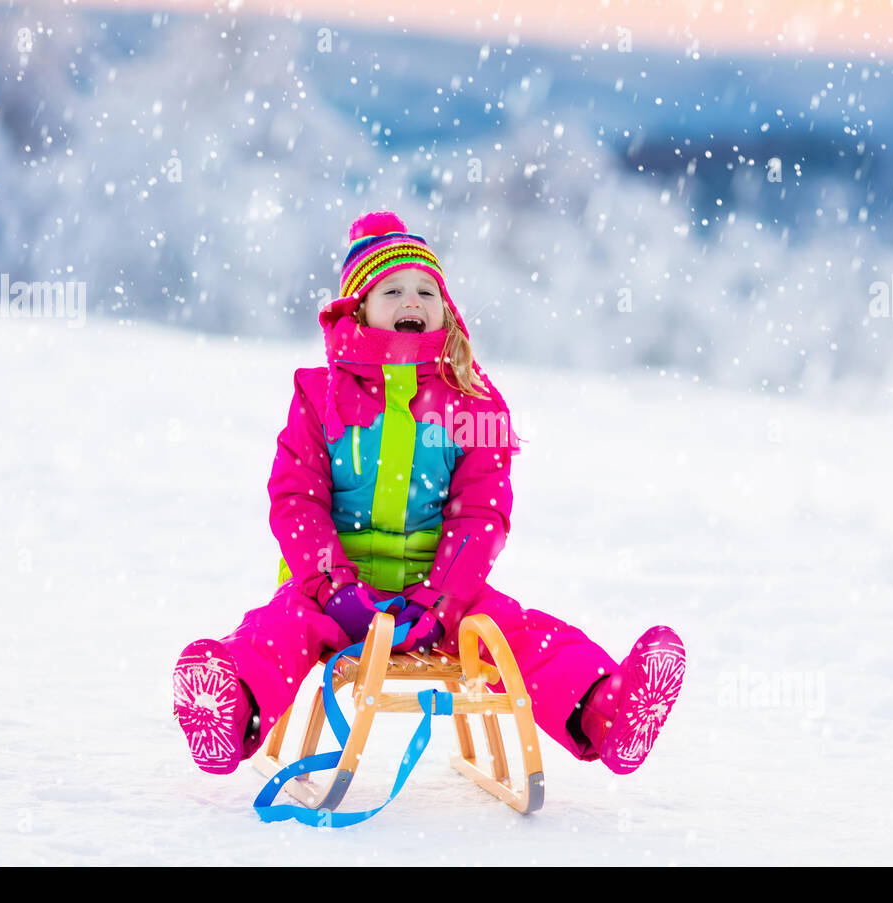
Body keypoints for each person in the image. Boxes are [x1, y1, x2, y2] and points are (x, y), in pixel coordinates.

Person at [172, 211, 685, 783]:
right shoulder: (320, 397)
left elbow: (483, 512)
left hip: (442, 590)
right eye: (391, 289)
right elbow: (297, 501)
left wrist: (440, 599)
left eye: (426, 290)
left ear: (446, 310)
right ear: (357, 307)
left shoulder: (472, 400)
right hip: (332, 588)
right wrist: (336, 589)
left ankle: (607, 714)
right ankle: (228, 706)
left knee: (517, 635)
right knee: (280, 629)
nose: (411, 299)